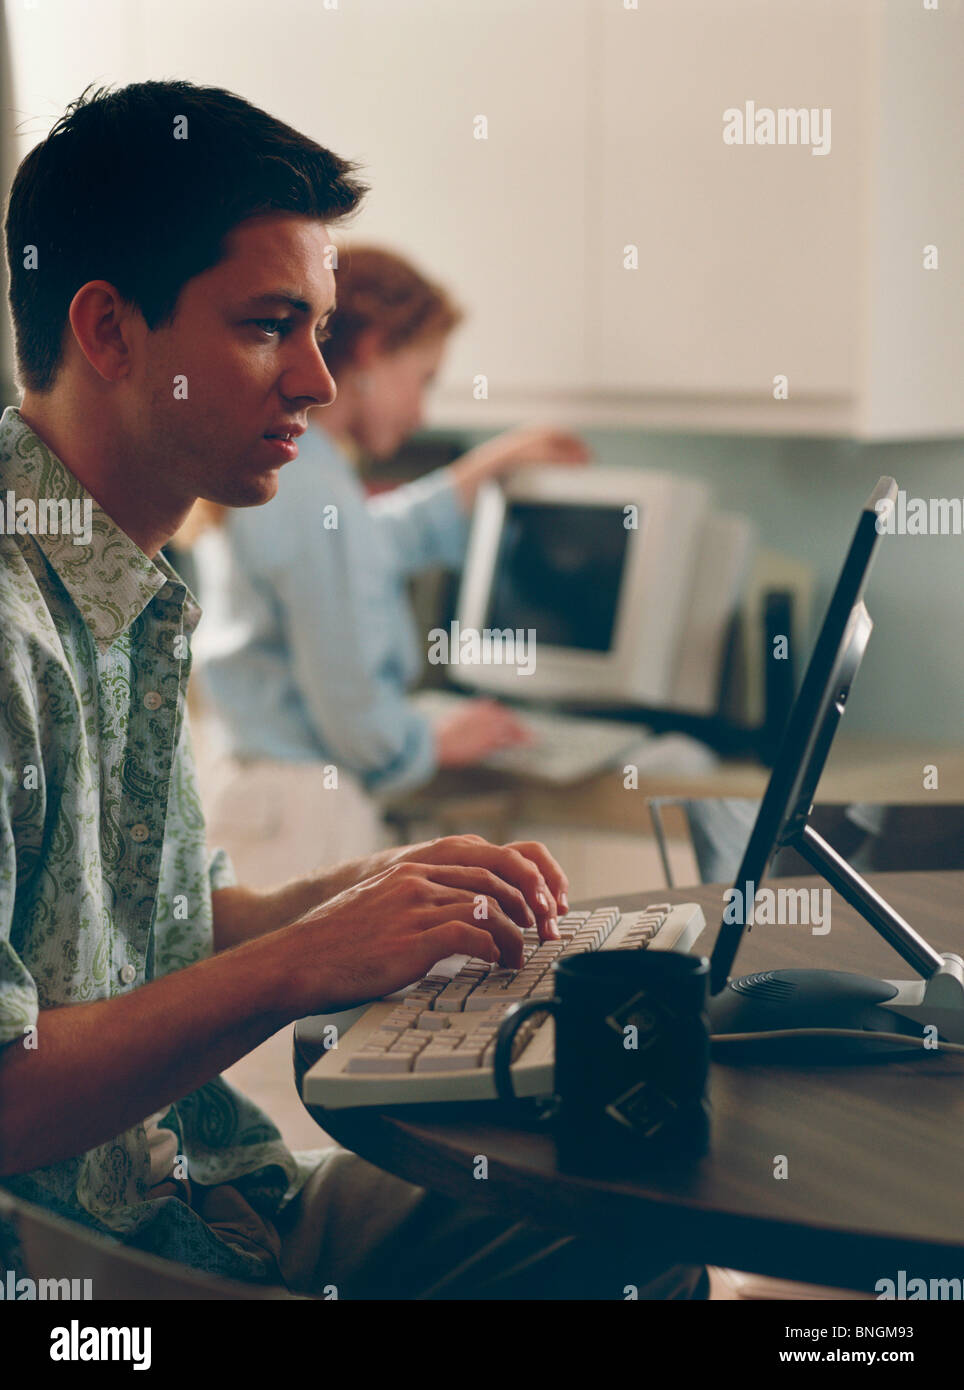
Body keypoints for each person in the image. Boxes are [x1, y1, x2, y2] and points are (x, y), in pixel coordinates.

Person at [0, 79, 705, 1301]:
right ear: (110, 332)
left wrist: (351, 900)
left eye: (321, 328)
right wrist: (303, 961)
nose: (319, 382)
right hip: (97, 1281)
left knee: (630, 1204)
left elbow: (135, 945)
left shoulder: (131, 589)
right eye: (271, 325)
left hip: (223, 1202)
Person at [189, 246, 590, 876]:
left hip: (263, 800)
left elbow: (370, 545)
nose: (424, 410)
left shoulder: (294, 466)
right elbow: (352, 712)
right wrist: (429, 739)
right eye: (425, 378)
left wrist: (488, 466)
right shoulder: (313, 488)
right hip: (301, 818)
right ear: (372, 351)